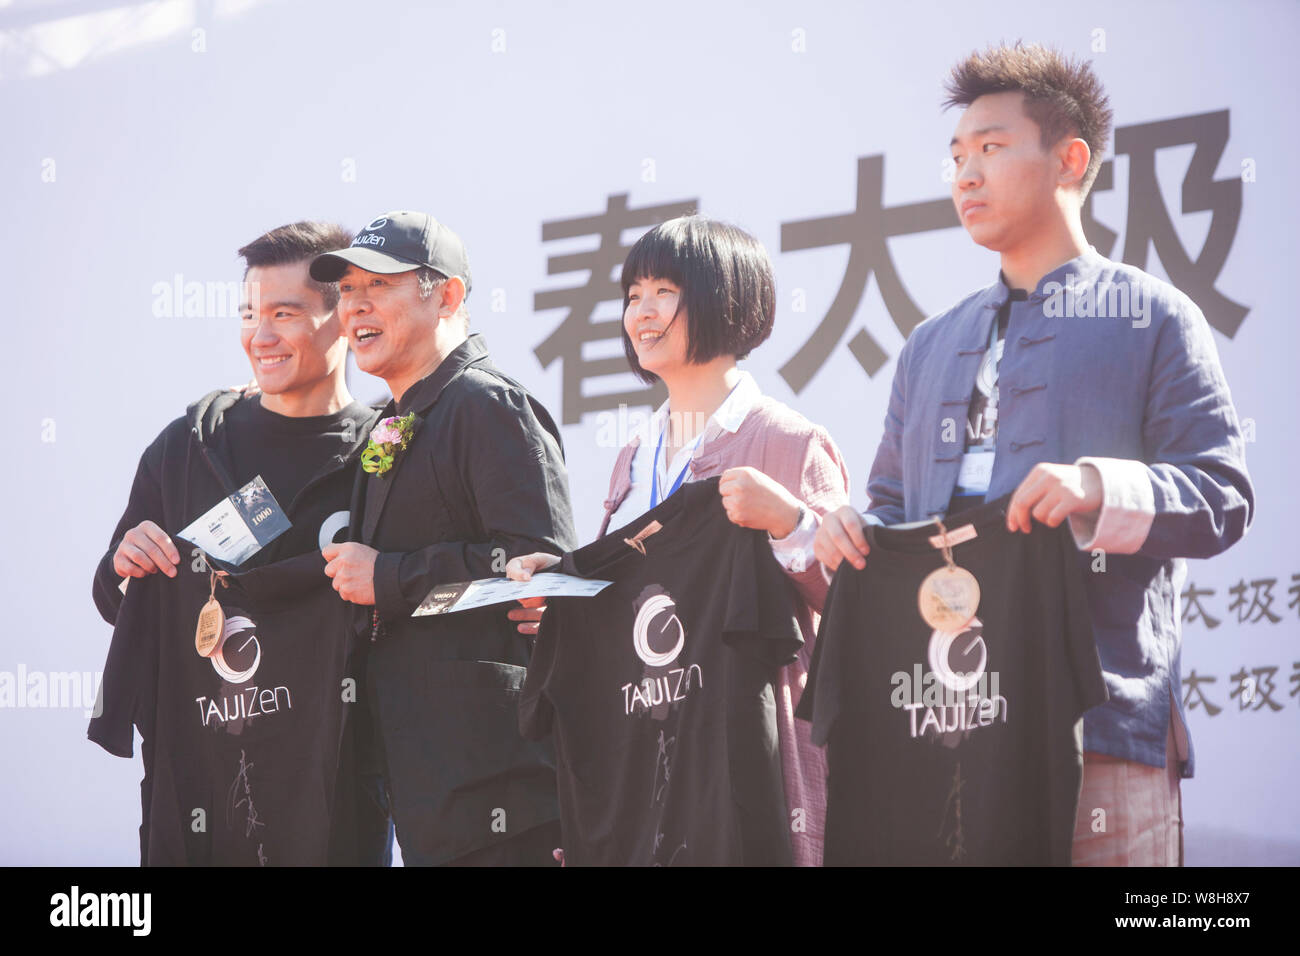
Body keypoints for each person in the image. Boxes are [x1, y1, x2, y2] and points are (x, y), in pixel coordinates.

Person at [814, 43, 1254, 866]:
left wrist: (1096, 485)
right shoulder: (927, 347)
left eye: (991, 148)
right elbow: (888, 503)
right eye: (955, 157)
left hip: (1099, 725)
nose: (965, 175)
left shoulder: (1154, 316)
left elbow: (1222, 496)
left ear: (1069, 158)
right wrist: (852, 529)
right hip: (933, 729)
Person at [507, 215, 851, 866]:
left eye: (664, 291)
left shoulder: (786, 439)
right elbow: (640, 599)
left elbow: (857, 603)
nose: (642, 312)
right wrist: (567, 590)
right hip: (646, 778)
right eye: (632, 295)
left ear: (728, 298)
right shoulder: (633, 456)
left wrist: (789, 524)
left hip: (748, 772)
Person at [91, 221, 383, 864]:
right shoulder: (189, 445)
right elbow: (116, 598)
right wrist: (124, 563)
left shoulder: (386, 451)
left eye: (286, 313)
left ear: (343, 321)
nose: (262, 335)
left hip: (332, 799)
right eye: (250, 313)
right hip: (196, 793)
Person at [312, 210, 576, 866]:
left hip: (505, 792)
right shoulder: (390, 427)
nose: (356, 306)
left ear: (448, 295)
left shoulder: (489, 406)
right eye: (345, 290)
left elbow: (541, 574)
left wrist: (392, 578)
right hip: (423, 790)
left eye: (379, 286)